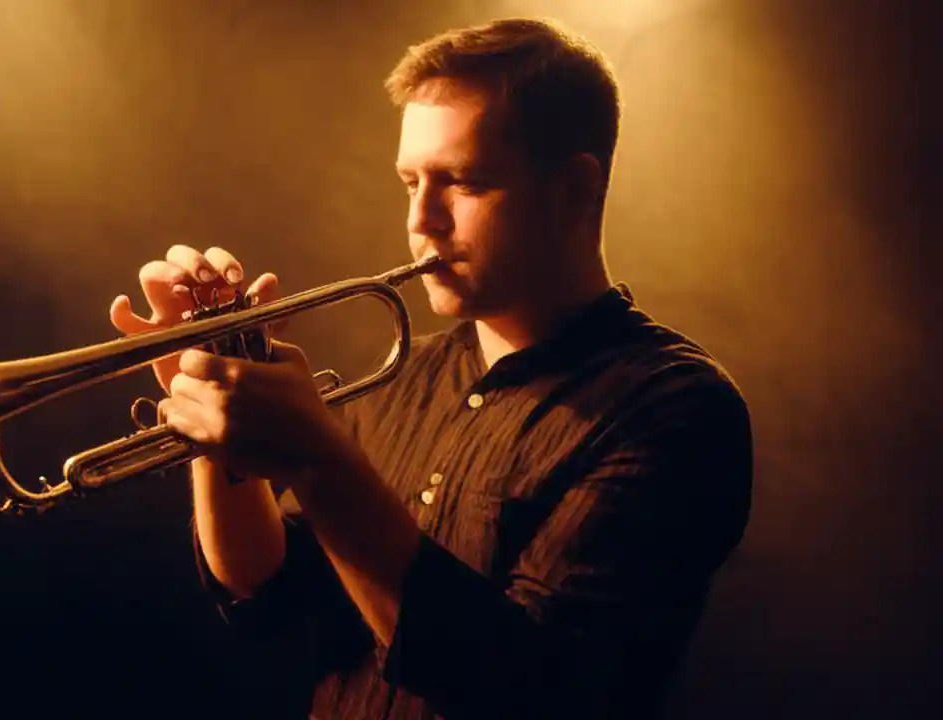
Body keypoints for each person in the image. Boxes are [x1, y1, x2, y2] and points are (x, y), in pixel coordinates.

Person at [108, 17, 752, 720]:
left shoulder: (675, 407)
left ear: (573, 189)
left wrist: (318, 460)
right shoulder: (401, 376)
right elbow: (272, 594)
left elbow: (533, 691)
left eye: (463, 182)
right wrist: (211, 402)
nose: (421, 219)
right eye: (410, 181)